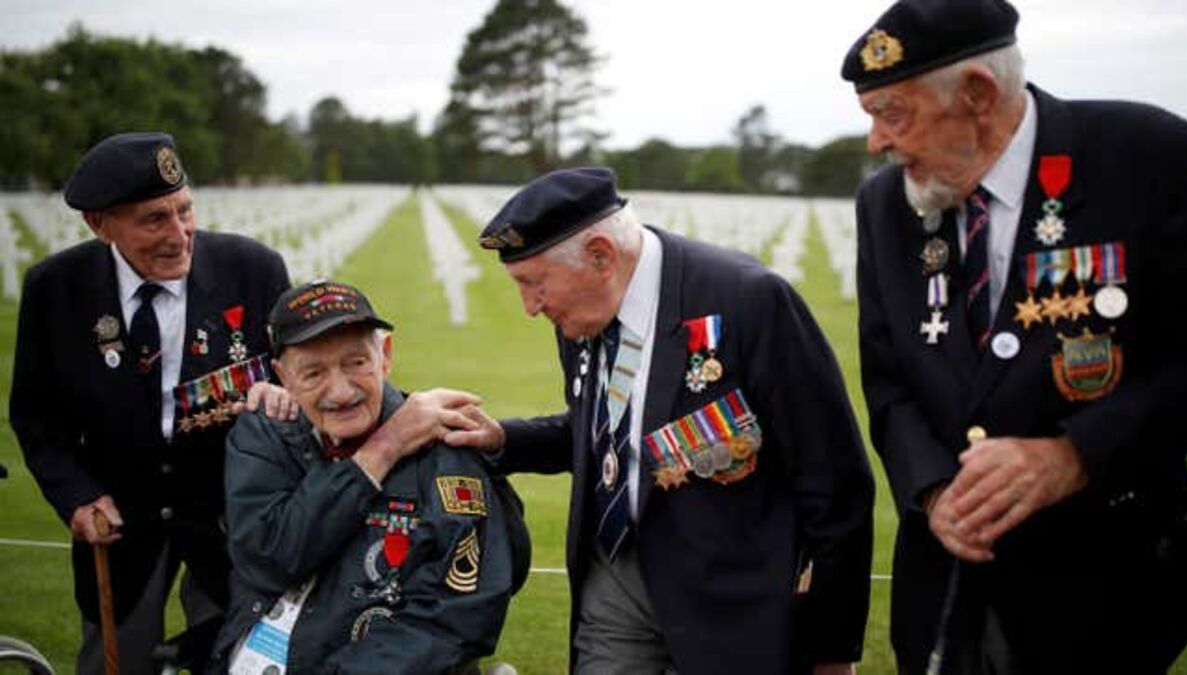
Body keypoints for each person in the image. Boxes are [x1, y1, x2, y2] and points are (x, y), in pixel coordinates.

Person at [843, 1, 1187, 672]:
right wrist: (933, 491)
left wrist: (1077, 453)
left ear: (977, 94)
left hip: (1104, 590)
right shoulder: (886, 205)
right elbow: (888, 378)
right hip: (946, 588)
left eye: (893, 114)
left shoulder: (1152, 158)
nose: (876, 144)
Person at [452, 167, 875, 674]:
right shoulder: (582, 315)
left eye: (534, 284)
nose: (529, 307)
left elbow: (835, 479)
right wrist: (505, 439)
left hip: (729, 594)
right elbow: (610, 429)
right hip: (615, 577)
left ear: (601, 256)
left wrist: (831, 647)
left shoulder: (748, 301)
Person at [9, 131, 293, 674]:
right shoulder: (55, 289)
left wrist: (284, 397)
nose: (178, 235)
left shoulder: (254, 270)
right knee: (112, 664)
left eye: (183, 211)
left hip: (232, 519)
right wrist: (77, 497)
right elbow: (37, 418)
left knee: (242, 662)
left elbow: (300, 380)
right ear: (99, 224)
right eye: (153, 220)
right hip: (119, 526)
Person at [209, 279, 526, 674]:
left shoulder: (447, 447)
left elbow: (455, 617)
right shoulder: (266, 433)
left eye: (355, 363)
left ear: (385, 355)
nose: (341, 392)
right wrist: (380, 451)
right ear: (282, 377)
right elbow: (269, 558)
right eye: (313, 372)